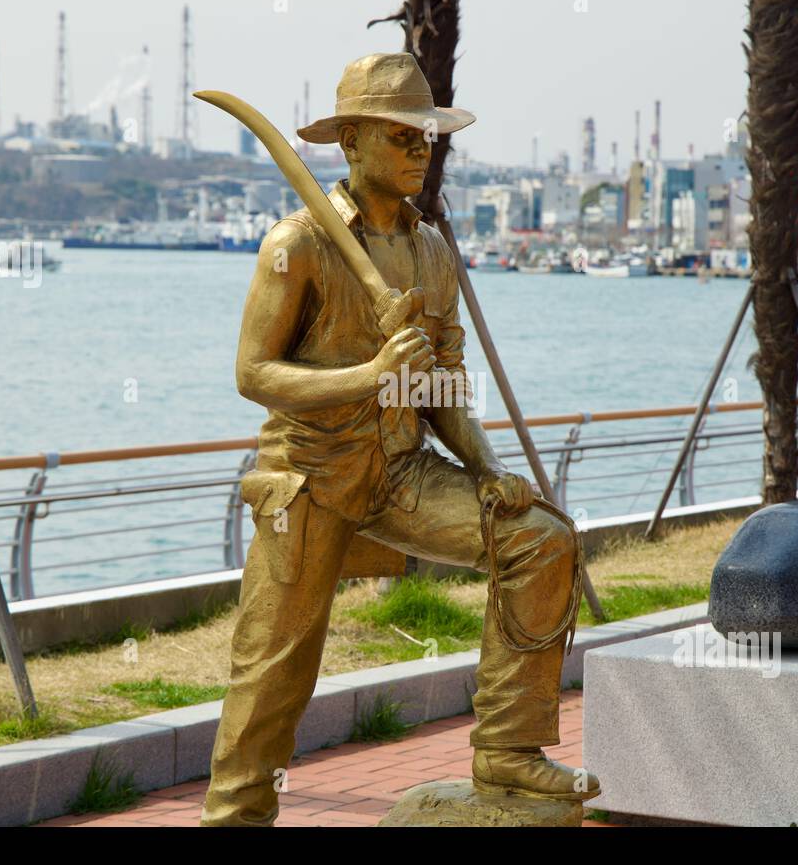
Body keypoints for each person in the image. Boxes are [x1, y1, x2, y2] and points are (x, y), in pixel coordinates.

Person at [201, 52, 599, 826]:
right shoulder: (299, 245)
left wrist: (485, 467)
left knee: (542, 539)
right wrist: (373, 374)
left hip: (399, 471)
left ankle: (509, 749)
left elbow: (444, 382)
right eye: (401, 135)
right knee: (274, 671)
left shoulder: (430, 251)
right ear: (349, 142)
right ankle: (235, 819)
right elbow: (253, 374)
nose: (421, 149)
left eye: (427, 136)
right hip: (309, 477)